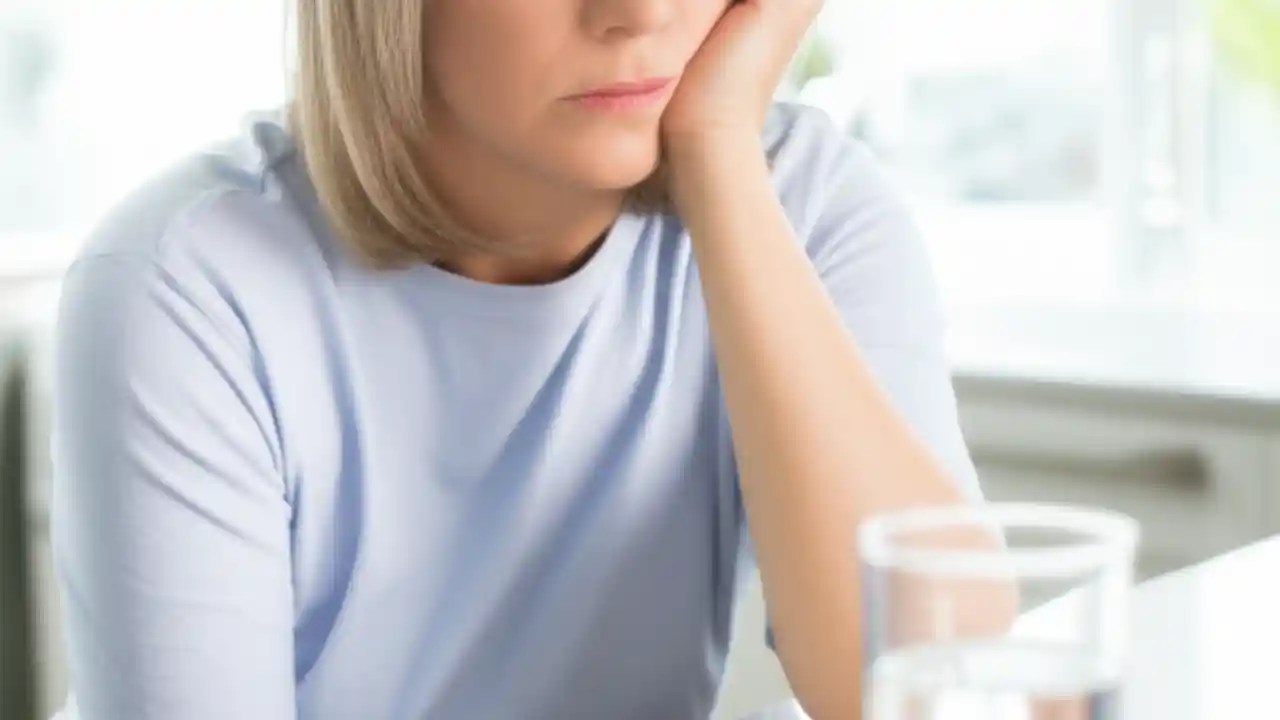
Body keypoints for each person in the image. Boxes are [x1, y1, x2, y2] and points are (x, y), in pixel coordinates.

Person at [48, 0, 983, 718]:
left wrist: (720, 151)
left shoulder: (801, 203)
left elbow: (935, 686)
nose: (642, 12)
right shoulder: (186, 286)